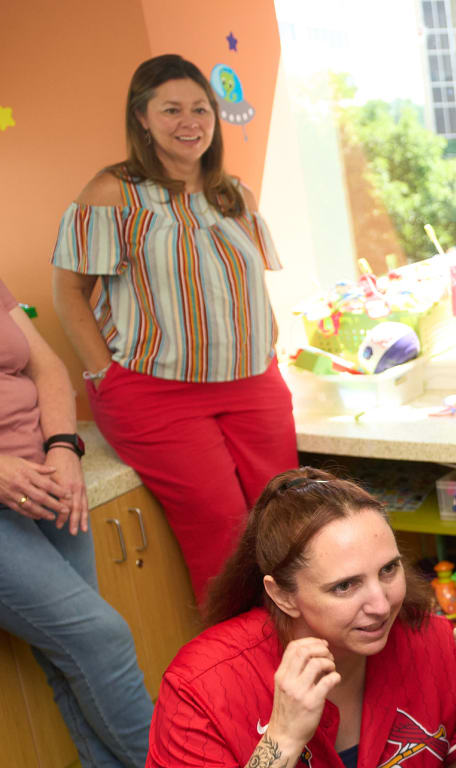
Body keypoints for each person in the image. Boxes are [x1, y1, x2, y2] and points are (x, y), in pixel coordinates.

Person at [51, 53, 297, 601]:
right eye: (171, 110)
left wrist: (269, 343)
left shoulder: (233, 195)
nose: (191, 122)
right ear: (142, 117)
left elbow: (250, 281)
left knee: (287, 520)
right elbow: (69, 291)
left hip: (253, 383)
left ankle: (306, 651)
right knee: (224, 530)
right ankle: (239, 666)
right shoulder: (113, 193)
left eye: (201, 108)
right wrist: (102, 373)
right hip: (155, 392)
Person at [146, 468, 456, 768]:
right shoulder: (201, 689)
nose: (382, 604)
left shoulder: (432, 640)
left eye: (389, 569)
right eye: (345, 586)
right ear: (283, 595)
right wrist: (282, 738)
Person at [0, 276, 152, 766]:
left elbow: (46, 367)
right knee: (102, 639)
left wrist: (63, 448)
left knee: (73, 659)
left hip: (51, 479)